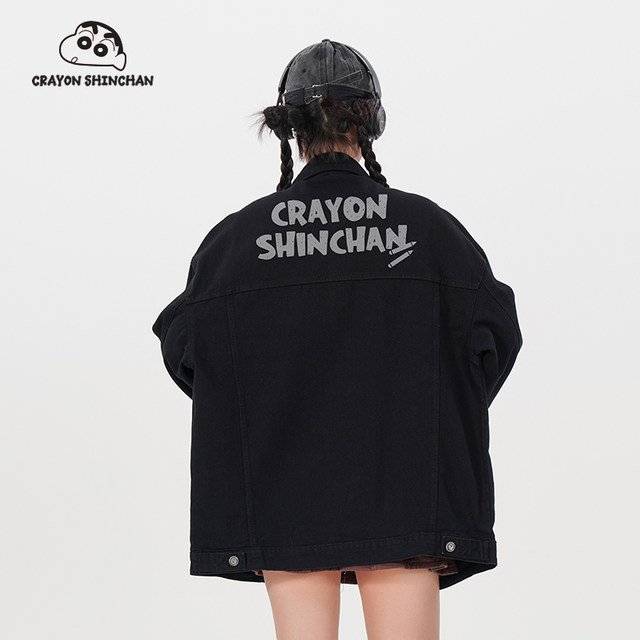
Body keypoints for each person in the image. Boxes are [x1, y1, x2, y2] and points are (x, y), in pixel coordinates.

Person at [152, 39, 523, 640]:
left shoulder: (232, 246)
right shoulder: (431, 233)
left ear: (289, 130)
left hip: (282, 493)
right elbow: (496, 339)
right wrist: (431, 409)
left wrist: (266, 413)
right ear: (371, 121)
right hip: (408, 490)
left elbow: (188, 353)